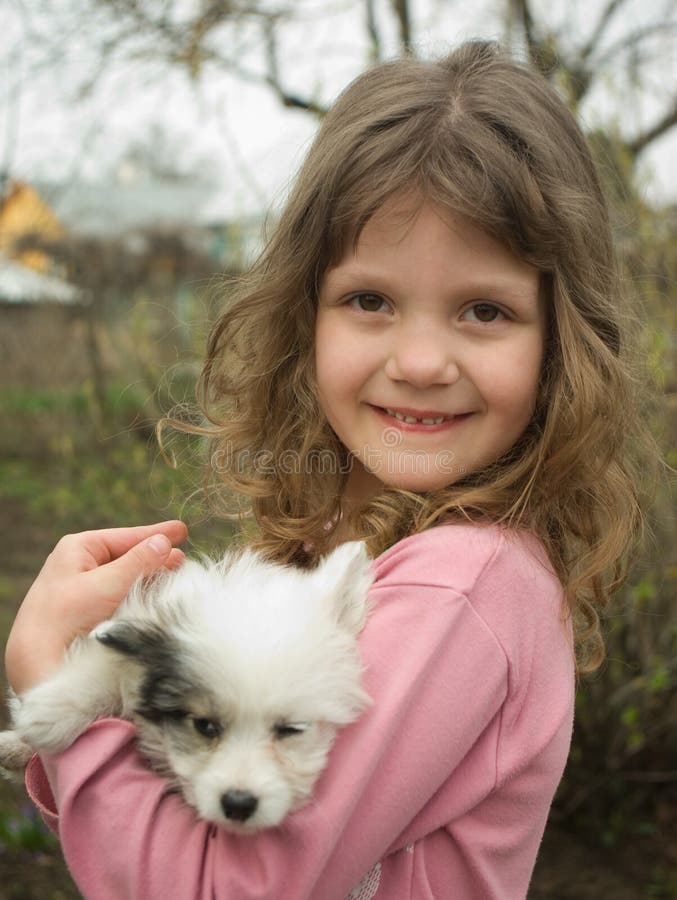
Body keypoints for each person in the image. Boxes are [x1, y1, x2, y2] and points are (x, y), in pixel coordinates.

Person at [4, 41, 652, 899]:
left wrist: (53, 681)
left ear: (561, 345)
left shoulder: (461, 587)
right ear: (304, 317)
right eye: (370, 300)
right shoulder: (348, 549)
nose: (420, 360)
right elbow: (154, 827)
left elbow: (210, 888)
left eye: (484, 310)